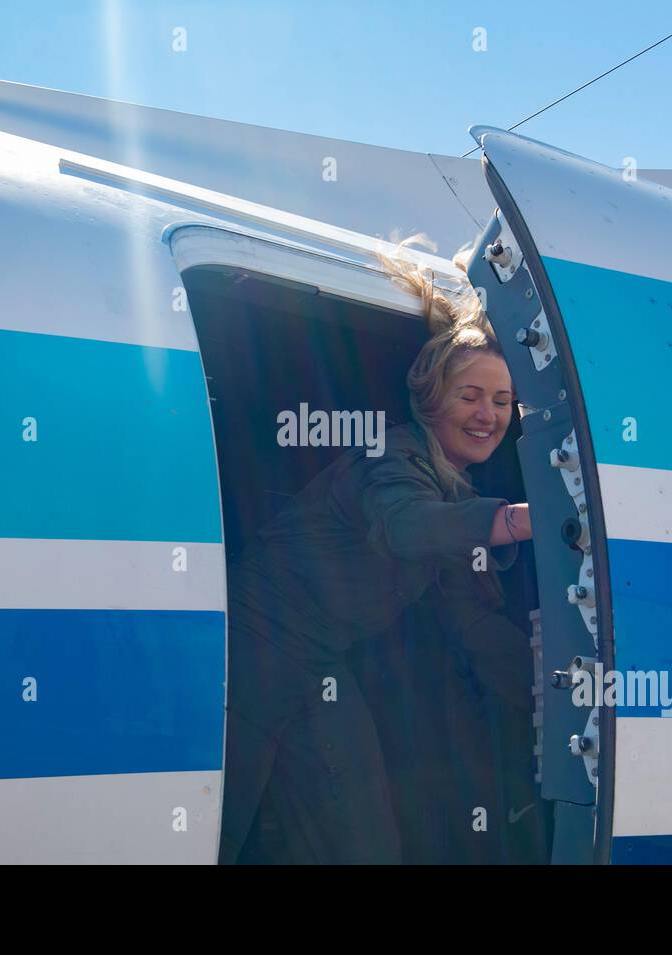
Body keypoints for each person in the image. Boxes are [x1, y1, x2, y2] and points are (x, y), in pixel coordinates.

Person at [219, 235, 534, 864]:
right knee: (213, 825)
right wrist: (520, 520)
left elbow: (469, 618)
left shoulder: (453, 487)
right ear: (431, 399)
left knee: (359, 840)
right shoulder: (391, 457)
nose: (487, 415)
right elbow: (406, 527)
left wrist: (548, 694)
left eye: (502, 401)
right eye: (470, 396)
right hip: (253, 647)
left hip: (318, 664)